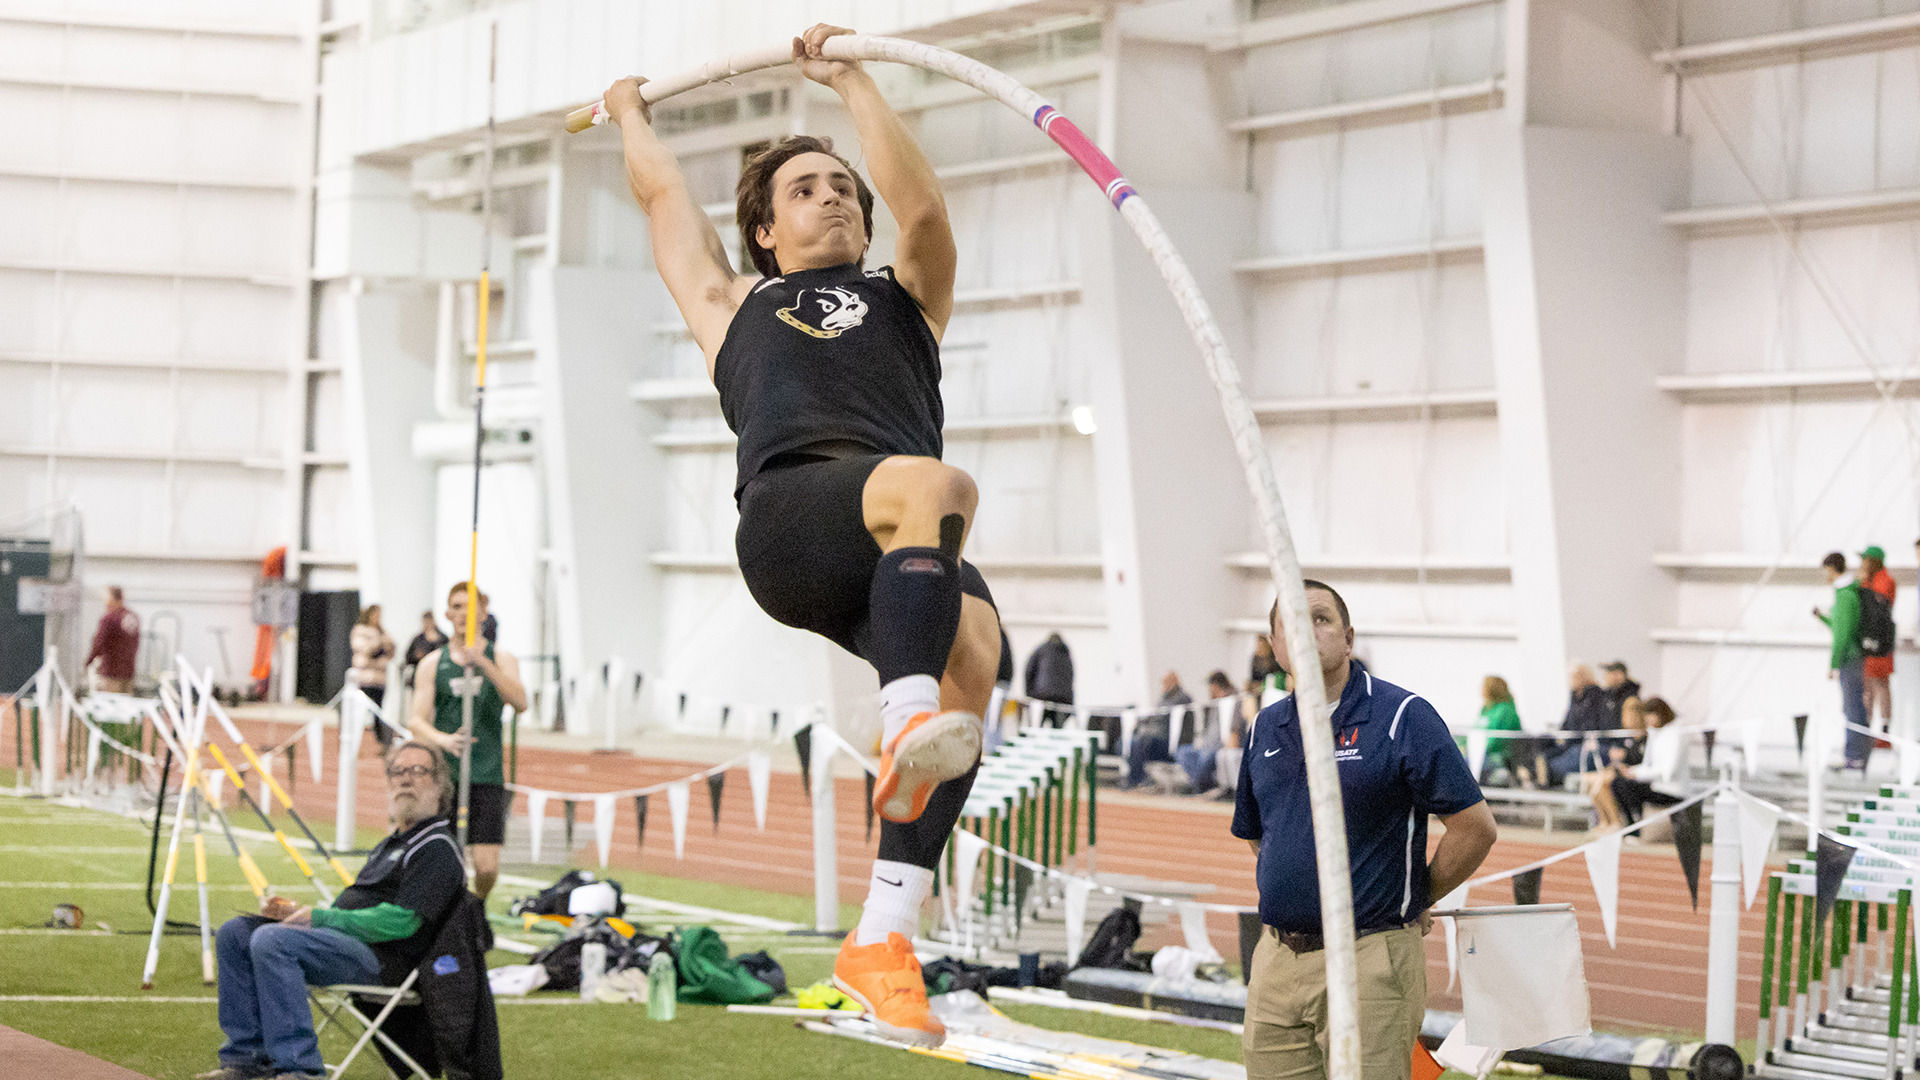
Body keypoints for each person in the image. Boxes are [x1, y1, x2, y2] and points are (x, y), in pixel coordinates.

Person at [601, 23, 1002, 1048]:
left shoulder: (908, 301)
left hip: (899, 543)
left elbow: (921, 207)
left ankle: (883, 938)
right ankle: (904, 715)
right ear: (766, 234)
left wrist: (852, 83)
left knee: (979, 650)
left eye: (842, 185)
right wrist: (630, 114)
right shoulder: (732, 301)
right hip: (794, 526)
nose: (835, 196)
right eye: (806, 189)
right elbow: (663, 203)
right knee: (937, 485)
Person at [1233, 582, 1496, 1080]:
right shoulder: (1265, 728)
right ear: (1274, 646)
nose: (1307, 632)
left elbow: (1474, 828)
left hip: (1369, 958)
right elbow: (1258, 833)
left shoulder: (1402, 716)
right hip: (1275, 959)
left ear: (1348, 638)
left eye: (1321, 619)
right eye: (1291, 622)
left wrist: (1415, 896)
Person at [197, 741, 463, 1080]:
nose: (406, 779)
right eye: (398, 771)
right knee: (235, 933)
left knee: (271, 941)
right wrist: (298, 915)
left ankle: (300, 1070)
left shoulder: (436, 847)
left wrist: (320, 918)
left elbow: (403, 922)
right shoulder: (394, 842)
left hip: (385, 959)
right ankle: (247, 1063)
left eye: (418, 771)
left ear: (439, 785)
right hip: (345, 943)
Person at [408, 583, 527, 901]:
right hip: (445, 776)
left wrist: (484, 664)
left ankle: (476, 907)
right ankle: (446, 918)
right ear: (447, 613)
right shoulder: (433, 663)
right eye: (456, 607)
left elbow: (520, 702)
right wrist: (442, 740)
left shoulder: (502, 658)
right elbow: (416, 720)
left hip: (486, 774)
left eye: (471, 607)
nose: (463, 614)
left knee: (486, 867)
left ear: (484, 613)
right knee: (444, 860)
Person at [1815, 552, 1870, 771]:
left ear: (1830, 568)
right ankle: (1854, 754)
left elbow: (1843, 634)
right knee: (1851, 706)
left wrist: (1834, 664)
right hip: (1852, 657)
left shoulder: (1845, 595)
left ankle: (1855, 756)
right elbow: (1840, 627)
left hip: (1851, 659)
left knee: (1853, 707)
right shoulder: (1845, 592)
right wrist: (1823, 617)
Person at [1606, 698, 1682, 826]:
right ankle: (1630, 824)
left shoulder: (1674, 735)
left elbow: (1667, 771)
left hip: (1670, 788)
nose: (1646, 719)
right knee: (1618, 783)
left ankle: (1635, 827)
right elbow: (1648, 764)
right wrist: (1632, 771)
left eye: (1649, 715)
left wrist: (1636, 773)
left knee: (1628, 787)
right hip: (1656, 783)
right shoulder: (1654, 734)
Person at [1538, 662, 1609, 787]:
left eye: (1574, 677)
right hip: (1570, 742)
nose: (1571, 680)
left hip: (1583, 743)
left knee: (1565, 760)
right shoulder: (1574, 698)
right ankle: (1538, 774)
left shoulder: (1596, 696)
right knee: (1543, 746)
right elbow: (1567, 721)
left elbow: (1592, 723)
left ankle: (1545, 778)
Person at [1124, 671, 1191, 788]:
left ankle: (1137, 779)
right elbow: (1154, 715)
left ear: (1175, 682)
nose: (1164, 685)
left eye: (1166, 682)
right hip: (1153, 737)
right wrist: (1138, 721)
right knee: (1125, 743)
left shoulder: (1182, 698)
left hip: (1167, 741)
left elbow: (1164, 717)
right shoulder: (1162, 699)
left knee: (1143, 742)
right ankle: (1136, 777)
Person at [1175, 671, 1237, 793]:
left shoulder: (1233, 701)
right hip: (1206, 745)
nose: (1209, 690)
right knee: (1183, 752)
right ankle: (1196, 782)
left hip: (1219, 746)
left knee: (1206, 757)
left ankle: (1199, 786)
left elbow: (1234, 729)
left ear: (1216, 686)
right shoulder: (1213, 704)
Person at [1859, 546, 1896, 733]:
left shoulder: (1885, 581)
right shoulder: (1866, 581)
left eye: (1865, 560)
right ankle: (1867, 727)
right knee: (1867, 685)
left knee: (1881, 683)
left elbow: (1876, 604)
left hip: (1881, 641)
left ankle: (1884, 728)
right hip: (1867, 640)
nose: (1862, 564)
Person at [349, 605, 396, 747]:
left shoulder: (383, 632)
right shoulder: (360, 630)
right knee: (359, 711)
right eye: (375, 614)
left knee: (378, 711)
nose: (377, 617)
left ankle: (381, 743)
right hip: (365, 679)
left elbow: (391, 648)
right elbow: (364, 649)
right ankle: (353, 741)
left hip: (380, 679)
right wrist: (377, 646)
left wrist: (384, 647)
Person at [85, 585, 140, 694]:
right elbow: (136, 643)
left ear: (113, 599)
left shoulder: (109, 618)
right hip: (128, 672)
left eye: (107, 599)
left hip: (111, 672)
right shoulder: (133, 617)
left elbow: (99, 642)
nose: (105, 603)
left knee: (111, 705)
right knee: (126, 705)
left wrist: (89, 661)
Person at [1468, 675, 1522, 784]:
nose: (1481, 690)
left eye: (1484, 686)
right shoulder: (1485, 709)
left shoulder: (1505, 710)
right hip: (1479, 753)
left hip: (1499, 756)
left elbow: (1497, 740)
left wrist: (1481, 750)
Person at [1023, 632, 1074, 727]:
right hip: (1061, 699)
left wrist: (1029, 695)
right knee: (1057, 730)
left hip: (1042, 695)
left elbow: (1029, 672)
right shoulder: (1065, 652)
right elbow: (1070, 678)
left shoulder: (1041, 650)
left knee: (1037, 728)